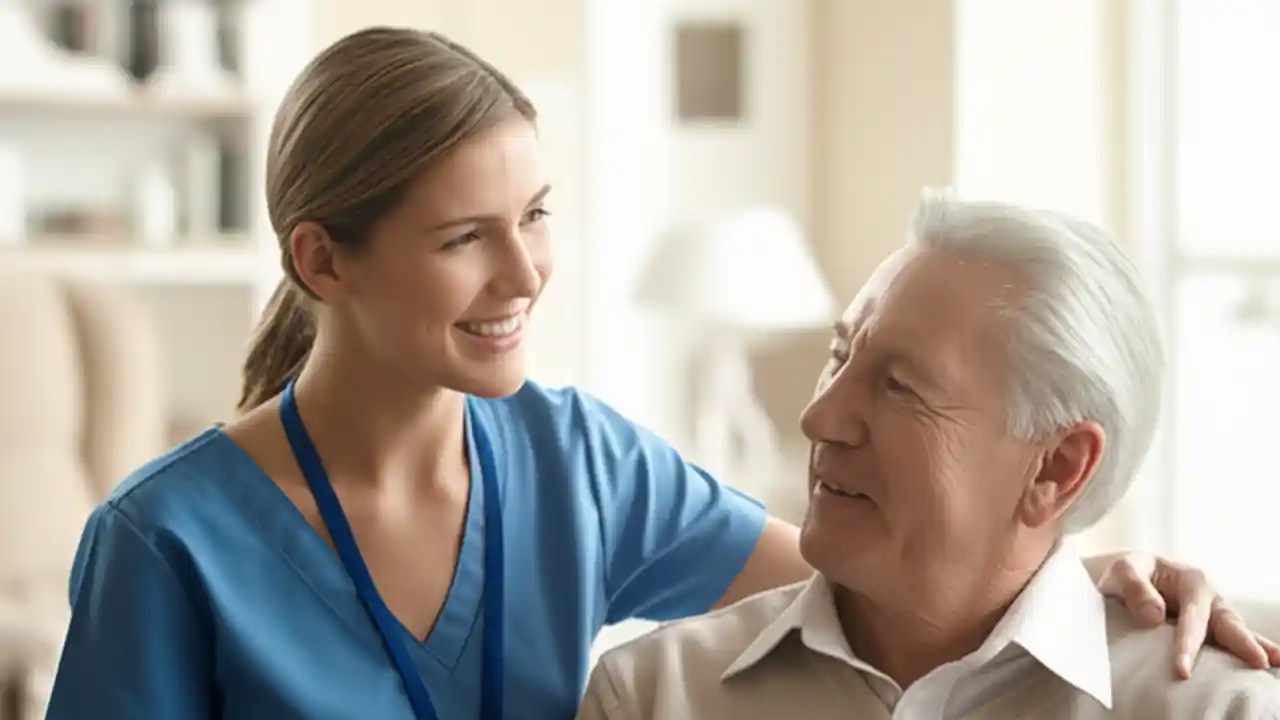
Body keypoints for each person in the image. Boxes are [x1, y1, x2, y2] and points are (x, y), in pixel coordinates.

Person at [44, 28, 1274, 720]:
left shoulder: (575, 463)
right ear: (323, 260)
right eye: (464, 238)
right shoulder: (166, 544)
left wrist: (1068, 570)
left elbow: (891, 576)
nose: (525, 274)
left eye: (536, 215)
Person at [576, 191, 1280, 719]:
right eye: (838, 357)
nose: (819, 418)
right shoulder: (655, 695)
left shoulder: (1218, 711)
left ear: (1057, 468)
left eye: (899, 386)